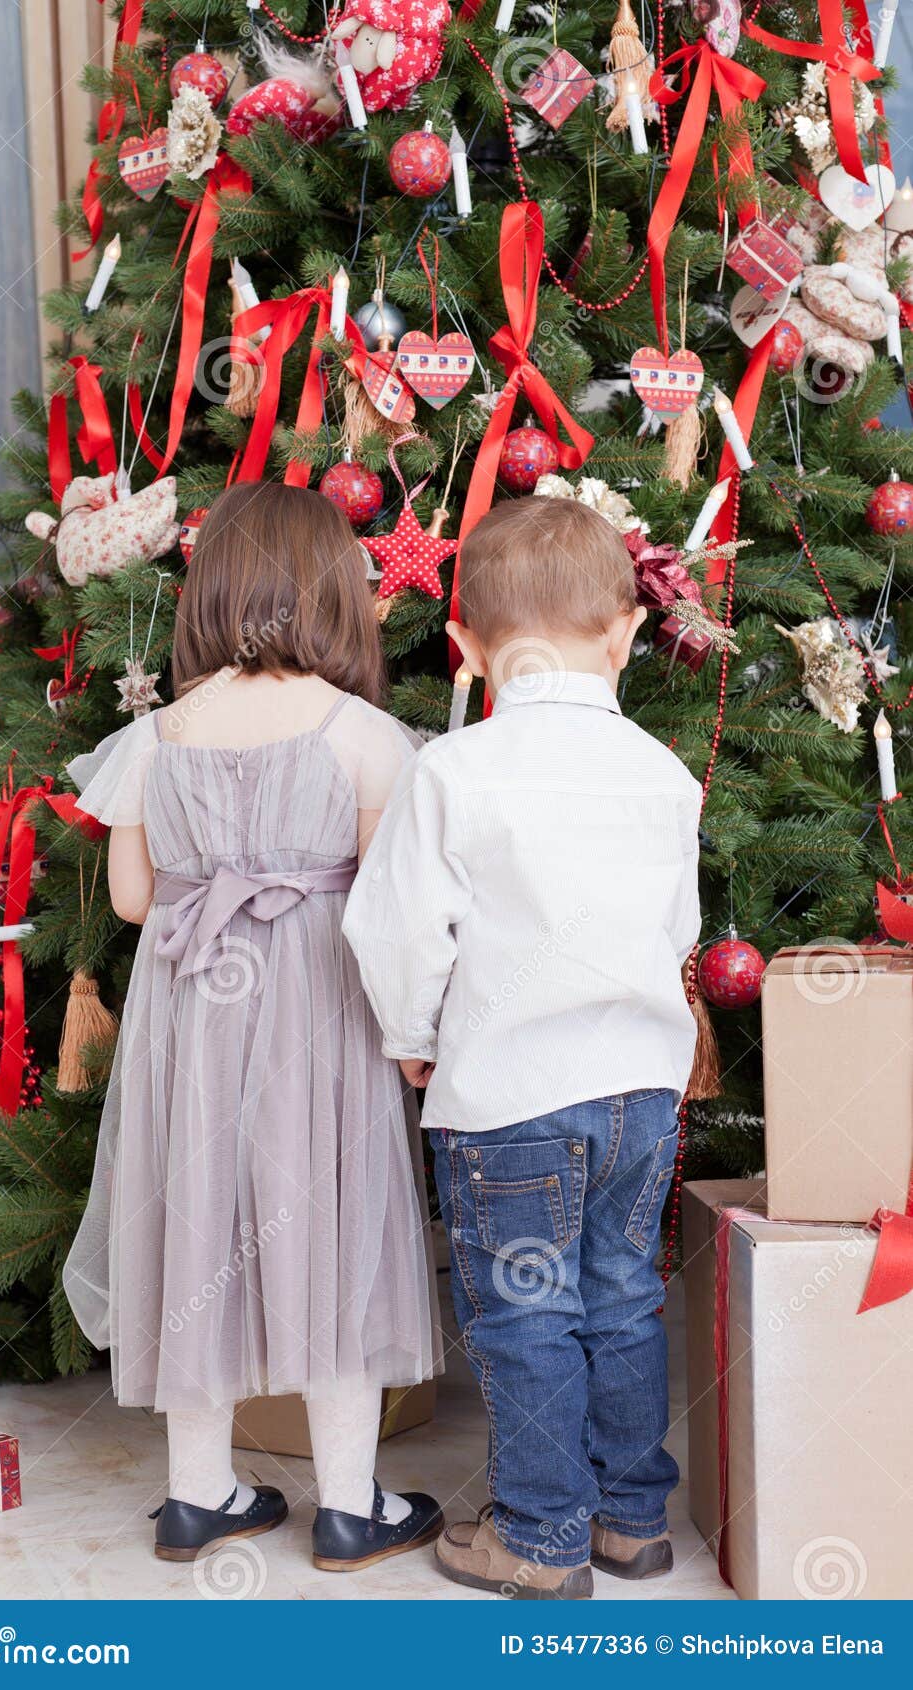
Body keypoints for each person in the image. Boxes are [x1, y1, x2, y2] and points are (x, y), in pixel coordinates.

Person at [63, 482, 442, 1572]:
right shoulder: (365, 735)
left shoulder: (153, 736)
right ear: (333, 595)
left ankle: (197, 1496)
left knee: (194, 1225)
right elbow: (387, 900)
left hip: (193, 1014)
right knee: (336, 1226)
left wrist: (218, 882)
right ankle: (350, 1507)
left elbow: (133, 902)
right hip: (319, 1013)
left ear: (210, 595)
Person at [344, 494, 701, 1599]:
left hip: (510, 1096)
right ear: (626, 634)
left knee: (526, 1310)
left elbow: (395, 930)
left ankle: (541, 1539)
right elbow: (676, 933)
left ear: (463, 645)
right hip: (640, 1092)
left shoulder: (454, 770)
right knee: (622, 1295)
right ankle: (630, 1521)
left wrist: (412, 1038)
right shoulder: (662, 773)